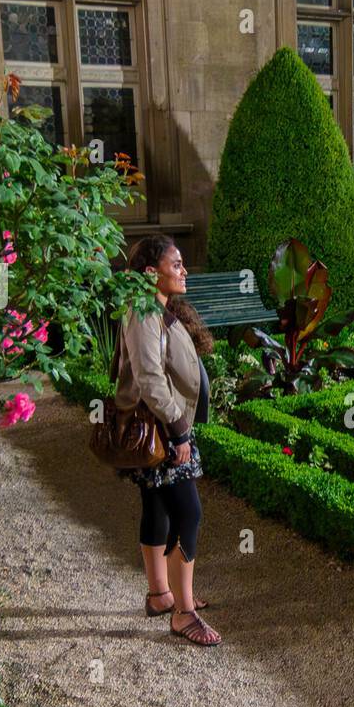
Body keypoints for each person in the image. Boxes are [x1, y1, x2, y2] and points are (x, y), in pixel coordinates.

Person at [115, 234, 220, 646]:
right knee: (189, 514)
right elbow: (150, 380)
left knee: (157, 507)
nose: (183, 270)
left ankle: (161, 594)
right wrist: (179, 431)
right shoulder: (143, 313)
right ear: (150, 273)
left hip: (162, 426)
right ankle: (183, 612)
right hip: (163, 428)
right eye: (176, 264)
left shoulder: (156, 309)